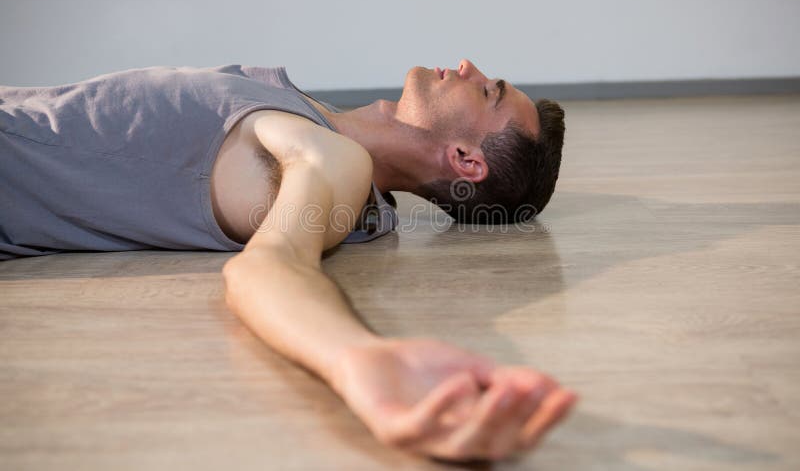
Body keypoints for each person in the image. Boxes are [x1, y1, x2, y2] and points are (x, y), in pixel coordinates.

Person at [1, 59, 574, 461]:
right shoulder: (314, 117)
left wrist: (358, 357)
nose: (470, 66)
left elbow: (273, 264)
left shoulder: (333, 159)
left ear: (465, 160)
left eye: (488, 92)